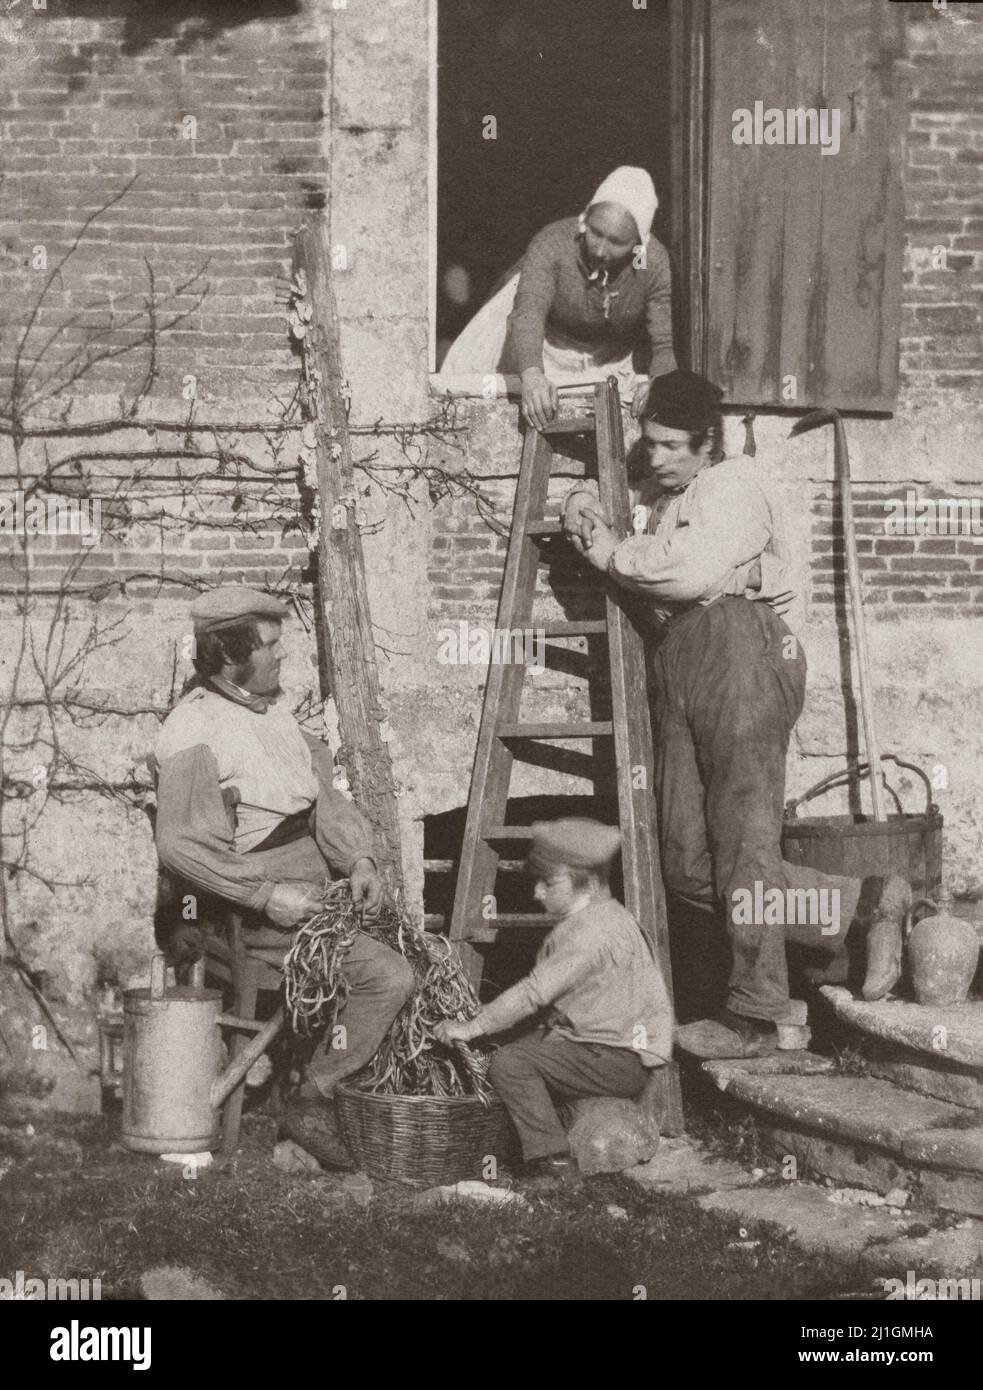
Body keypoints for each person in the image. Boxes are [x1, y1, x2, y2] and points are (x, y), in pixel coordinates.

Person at [560, 369, 911, 1060]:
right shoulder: (667, 492)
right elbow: (639, 536)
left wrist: (611, 552)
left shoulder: (731, 484)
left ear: (706, 442)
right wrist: (580, 504)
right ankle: (864, 905)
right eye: (648, 443)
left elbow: (688, 573)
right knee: (686, 860)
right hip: (684, 655)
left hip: (739, 650)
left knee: (743, 846)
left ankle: (760, 1012)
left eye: (668, 446)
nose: (653, 456)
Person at [152, 584, 414, 1166]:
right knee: (388, 978)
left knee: (415, 953)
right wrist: (266, 896)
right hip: (256, 916)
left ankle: (344, 1101)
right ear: (229, 654)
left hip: (318, 894)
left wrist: (359, 861)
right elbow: (181, 847)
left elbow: (320, 801)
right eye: (270, 646)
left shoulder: (272, 713)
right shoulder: (194, 730)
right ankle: (313, 1099)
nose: (282, 656)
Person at [435, 818, 673, 1185]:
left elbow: (533, 992)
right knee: (522, 1047)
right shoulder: (606, 917)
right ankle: (540, 1135)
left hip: (621, 1059)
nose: (538, 893)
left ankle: (552, 1162)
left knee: (510, 1064)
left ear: (589, 884)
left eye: (550, 883)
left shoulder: (592, 932)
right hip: (612, 1049)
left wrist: (471, 1026)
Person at [440, 166, 677, 429]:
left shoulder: (651, 262)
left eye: (616, 242)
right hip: (540, 346)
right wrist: (531, 374)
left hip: (607, 358)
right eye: (596, 232)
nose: (600, 249)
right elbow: (529, 311)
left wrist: (660, 383)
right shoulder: (553, 242)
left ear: (638, 242)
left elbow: (662, 341)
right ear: (585, 219)